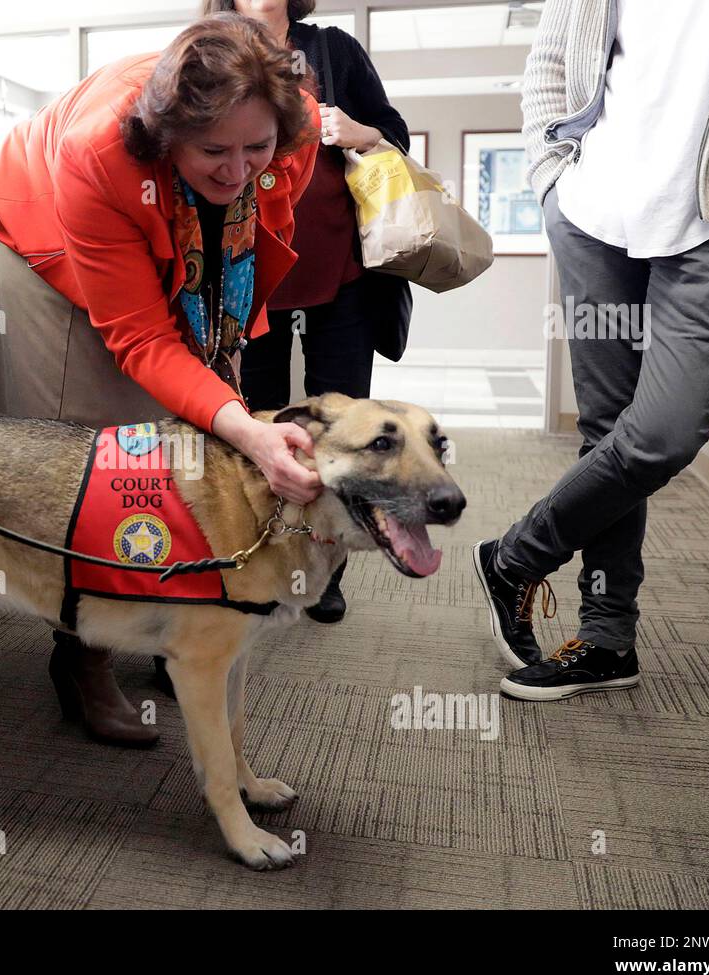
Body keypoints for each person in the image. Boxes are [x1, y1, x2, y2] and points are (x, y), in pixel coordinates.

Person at [0, 12, 322, 735]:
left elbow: (256, 240)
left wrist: (223, 369)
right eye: (213, 150)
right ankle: (83, 653)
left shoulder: (294, 123)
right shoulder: (97, 153)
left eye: (255, 147)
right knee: (100, 449)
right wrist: (245, 429)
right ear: (169, 136)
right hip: (47, 235)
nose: (238, 169)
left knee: (197, 435)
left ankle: (176, 621)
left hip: (185, 241)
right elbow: (138, 338)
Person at [473, 0, 709, 701]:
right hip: (592, 209)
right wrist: (552, 176)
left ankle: (515, 557)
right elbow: (552, 61)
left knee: (660, 437)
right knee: (606, 431)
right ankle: (608, 637)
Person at [213, 0, 411, 624]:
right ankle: (269, 559)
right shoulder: (214, 47)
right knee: (267, 423)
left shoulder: (331, 50)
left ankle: (328, 571)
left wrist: (360, 131)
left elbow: (395, 138)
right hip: (257, 278)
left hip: (343, 277)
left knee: (347, 423)